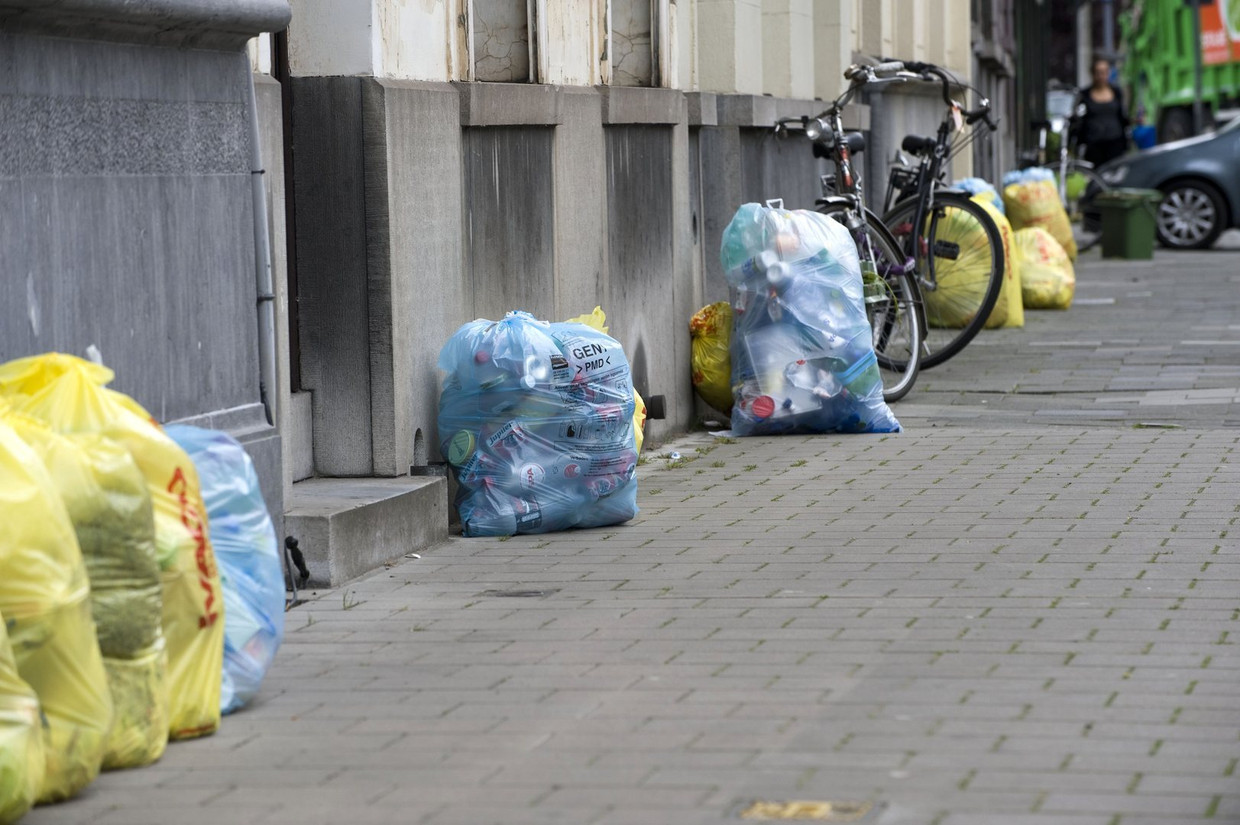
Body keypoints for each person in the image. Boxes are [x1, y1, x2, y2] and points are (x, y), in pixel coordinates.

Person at [1073, 57, 1130, 167]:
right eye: (1098, 72)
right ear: (1093, 73)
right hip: (1094, 143)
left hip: (1115, 141)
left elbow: (1122, 115)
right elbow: (1078, 117)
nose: (1101, 76)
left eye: (1104, 72)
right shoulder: (1084, 95)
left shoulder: (1116, 92)